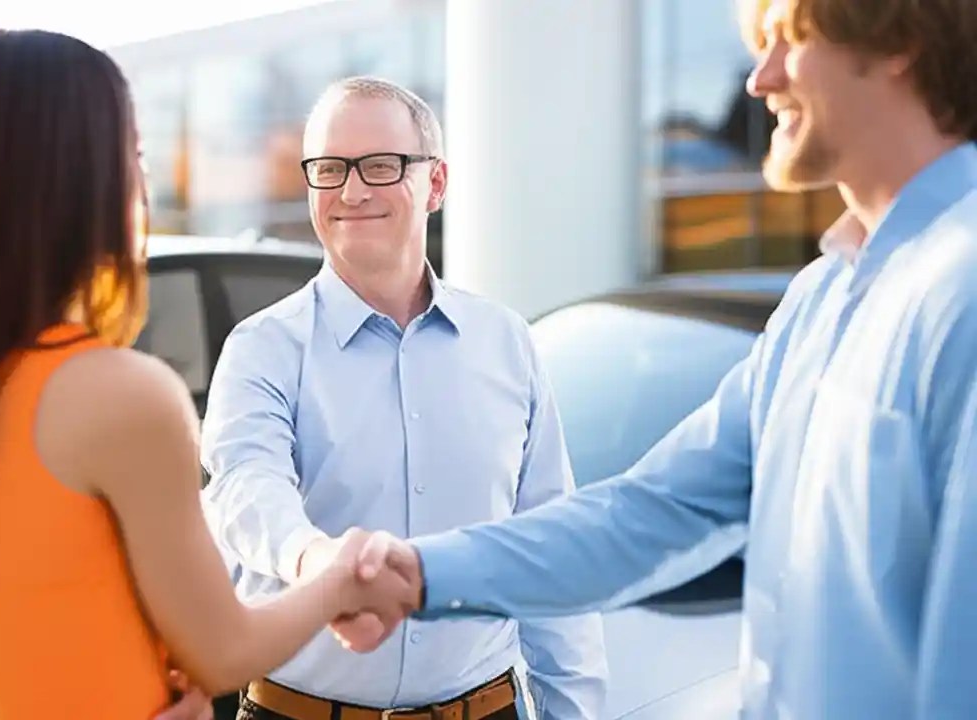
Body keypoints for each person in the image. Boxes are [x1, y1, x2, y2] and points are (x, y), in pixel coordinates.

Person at [341, 1, 977, 718]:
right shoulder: (822, 297)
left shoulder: (963, 294)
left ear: (898, 41)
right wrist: (417, 573)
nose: (759, 80)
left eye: (787, 43)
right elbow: (649, 513)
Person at [0, 30, 416, 720]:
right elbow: (222, 653)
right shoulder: (119, 395)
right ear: (84, 177)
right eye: (132, 152)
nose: (142, 176)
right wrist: (342, 575)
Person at [198, 76, 607, 720]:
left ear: (435, 184)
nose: (351, 191)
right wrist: (320, 564)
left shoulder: (506, 342)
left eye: (381, 166)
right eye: (329, 169)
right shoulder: (262, 347)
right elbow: (247, 490)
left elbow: (550, 549)